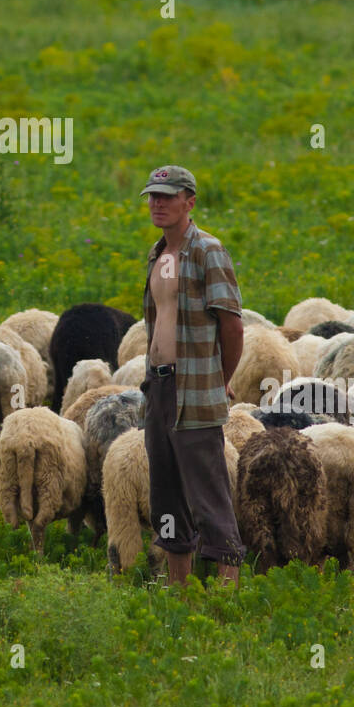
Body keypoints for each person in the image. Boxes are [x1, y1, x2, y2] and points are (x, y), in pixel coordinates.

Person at [139, 165, 245, 586]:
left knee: (207, 492)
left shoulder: (207, 250)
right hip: (160, 385)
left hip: (196, 389)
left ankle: (227, 586)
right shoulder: (158, 253)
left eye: (167, 196)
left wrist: (220, 379)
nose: (158, 203)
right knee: (164, 492)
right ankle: (177, 586)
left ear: (190, 201)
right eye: (153, 196)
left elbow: (232, 324)